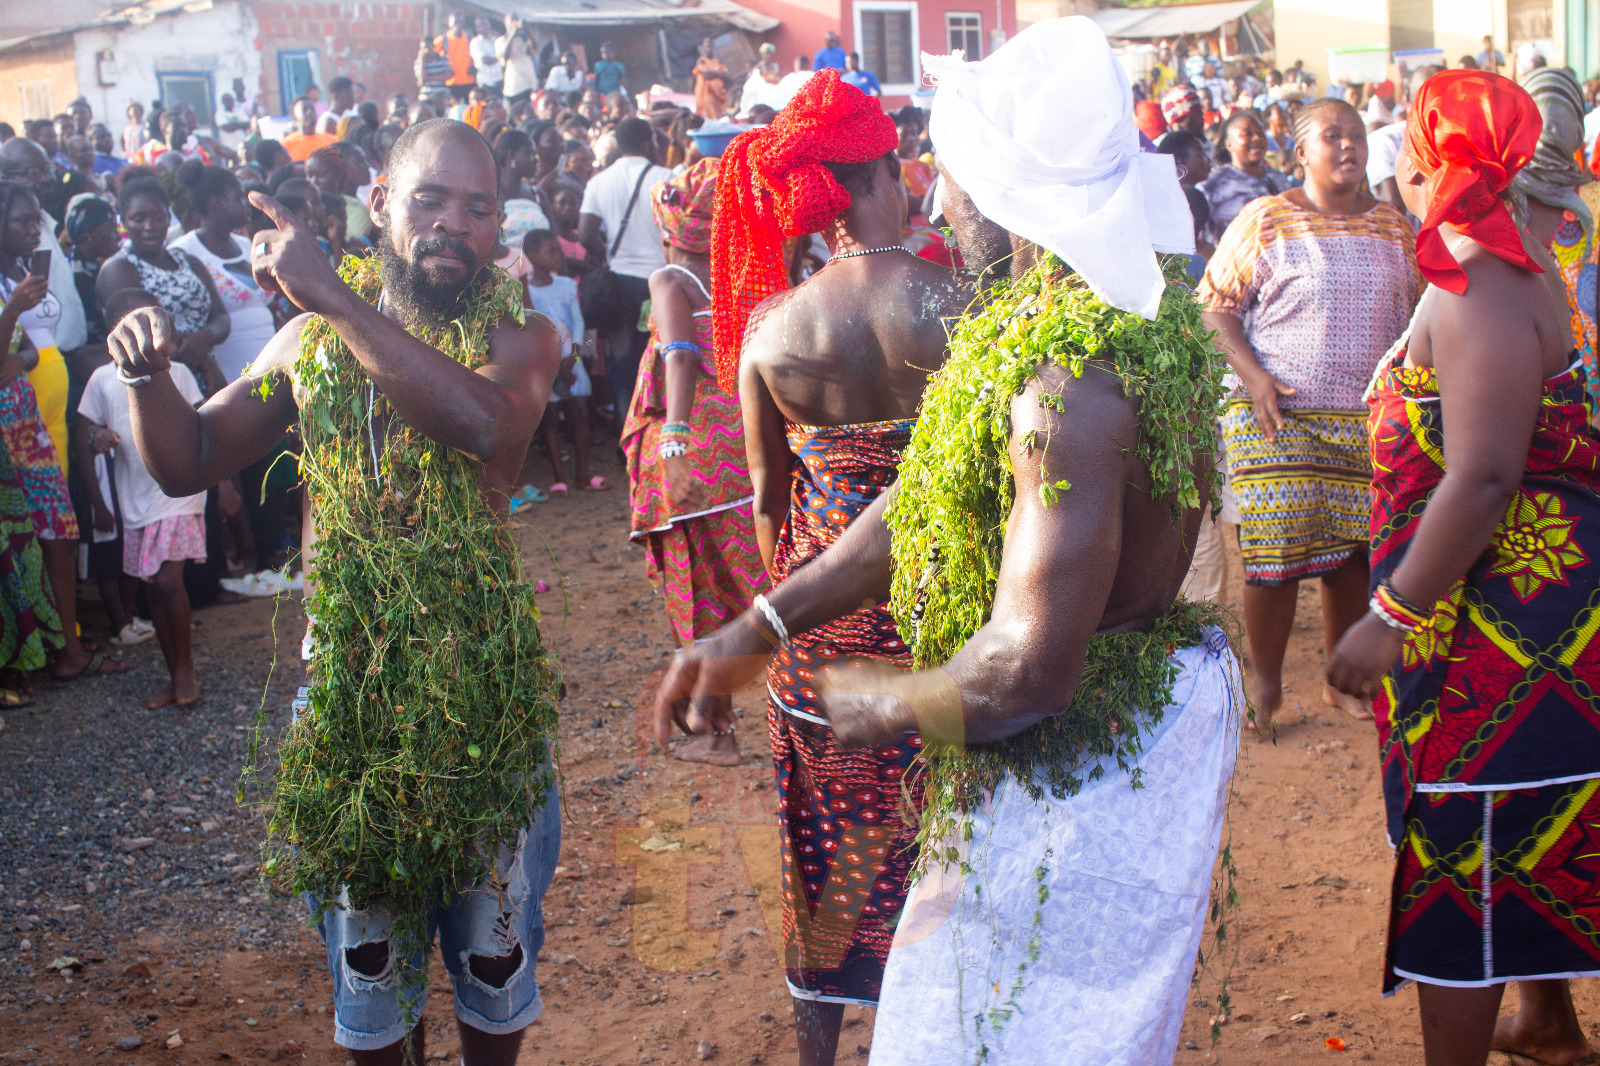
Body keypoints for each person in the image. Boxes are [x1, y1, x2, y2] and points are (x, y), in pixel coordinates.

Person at [656, 20, 1238, 1064]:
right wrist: (760, 623)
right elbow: (920, 496)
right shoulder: (1074, 315)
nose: (939, 197)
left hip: (1078, 767)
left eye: (958, 175)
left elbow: (1024, 670)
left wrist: (865, 703)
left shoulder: (1064, 384)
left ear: (1010, 189)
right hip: (1101, 740)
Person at [105, 117, 562, 1064]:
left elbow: (482, 425)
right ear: (380, 205)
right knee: (374, 985)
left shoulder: (520, 334)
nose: (454, 226)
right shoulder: (310, 346)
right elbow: (188, 459)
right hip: (354, 696)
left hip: (481, 686)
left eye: (479, 209)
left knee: (489, 976)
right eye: (430, 200)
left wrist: (334, 301)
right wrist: (147, 377)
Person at [1325, 69, 1600, 1066]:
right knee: (1514, 835)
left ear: (1428, 157)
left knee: (1467, 855)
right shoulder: (1487, 267)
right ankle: (1548, 1018)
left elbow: (1481, 476)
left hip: (1502, 646)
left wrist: (1387, 613)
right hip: (1511, 623)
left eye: (1408, 137)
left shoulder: (1481, 285)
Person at [704, 71, 968, 1064]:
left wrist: (795, 607)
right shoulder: (963, 304)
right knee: (947, 836)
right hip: (943, 612)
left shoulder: (772, 327)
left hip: (813, 627)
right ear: (889, 176)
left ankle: (820, 1044)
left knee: (822, 847)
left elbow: (769, 500)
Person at [1198, 97, 1422, 724]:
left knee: (1352, 554)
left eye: (1356, 136)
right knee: (1275, 556)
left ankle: (1341, 683)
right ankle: (1265, 689)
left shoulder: (1395, 227)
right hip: (1276, 412)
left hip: (1368, 420)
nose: (1348, 146)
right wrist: (1256, 378)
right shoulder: (1265, 220)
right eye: (1332, 136)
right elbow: (1214, 306)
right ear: (1300, 152)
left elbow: (1417, 314)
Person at [619, 158, 763, 764]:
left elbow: (679, 355)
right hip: (743, 454)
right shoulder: (741, 276)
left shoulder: (670, 280)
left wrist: (674, 440)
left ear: (669, 226)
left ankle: (713, 729)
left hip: (693, 457)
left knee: (699, 591)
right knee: (758, 588)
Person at [0, 181, 118, 682]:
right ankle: (56, 646)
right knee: (35, 535)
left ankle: (62, 634)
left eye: (36, 220)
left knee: (59, 530)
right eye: (22, 221)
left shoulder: (26, 269)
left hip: (46, 412)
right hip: (15, 421)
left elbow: (29, 349)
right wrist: (18, 324)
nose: (34, 229)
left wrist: (27, 355)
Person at [81, 289, 206, 706]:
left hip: (178, 493)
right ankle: (174, 676)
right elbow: (86, 434)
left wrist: (224, 486)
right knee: (153, 588)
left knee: (169, 582)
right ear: (112, 336)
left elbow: (207, 429)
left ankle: (186, 676)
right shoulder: (102, 380)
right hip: (135, 500)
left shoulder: (179, 373)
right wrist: (97, 439)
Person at [1511, 66, 1600, 408]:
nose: (1552, 124)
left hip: (1582, 400)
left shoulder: (1593, 201)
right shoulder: (1500, 197)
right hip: (1520, 392)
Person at [578, 116, 670, 430]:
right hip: (663, 283)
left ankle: (627, 438)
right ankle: (661, 438)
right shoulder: (667, 178)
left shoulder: (599, 181)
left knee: (624, 365)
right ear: (647, 143)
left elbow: (585, 233)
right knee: (666, 360)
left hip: (619, 284)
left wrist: (609, 254)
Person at [169, 163, 275, 385]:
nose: (245, 203)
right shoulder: (184, 252)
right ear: (216, 203)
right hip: (229, 374)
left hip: (272, 364)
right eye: (238, 197)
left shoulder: (247, 244)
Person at [523, 228, 595, 497]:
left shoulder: (566, 285)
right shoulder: (525, 291)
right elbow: (529, 330)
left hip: (570, 358)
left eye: (557, 250)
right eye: (550, 251)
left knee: (580, 414)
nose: (557, 256)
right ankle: (559, 478)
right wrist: (552, 363)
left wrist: (573, 356)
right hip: (544, 364)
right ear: (532, 256)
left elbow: (577, 322)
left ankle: (582, 474)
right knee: (550, 419)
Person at [1198, 111, 1294, 245]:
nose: (1257, 138)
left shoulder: (1278, 178)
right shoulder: (1213, 186)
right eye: (1247, 134)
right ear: (1229, 144)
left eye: (1260, 133)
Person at [491, 130, 551, 254]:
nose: (536, 160)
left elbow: (553, 241)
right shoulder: (490, 194)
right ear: (512, 155)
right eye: (531, 154)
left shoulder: (537, 195)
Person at [283, 97, 337, 163]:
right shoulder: (286, 145)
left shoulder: (333, 141)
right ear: (295, 117)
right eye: (304, 109)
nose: (310, 112)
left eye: (312, 108)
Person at [498, 13, 538, 102]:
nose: (515, 23)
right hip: (515, 86)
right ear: (506, 24)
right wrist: (513, 32)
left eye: (517, 20)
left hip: (529, 83)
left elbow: (536, 49)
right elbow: (505, 56)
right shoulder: (501, 41)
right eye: (512, 21)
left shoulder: (525, 38)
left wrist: (528, 31)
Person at [437, 12, 475, 100]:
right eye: (455, 22)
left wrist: (475, 67)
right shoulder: (443, 40)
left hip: (469, 81)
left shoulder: (470, 38)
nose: (457, 25)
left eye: (460, 22)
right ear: (450, 24)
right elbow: (431, 55)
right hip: (451, 83)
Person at [693, 40, 730, 119]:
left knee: (720, 115)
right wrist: (719, 74)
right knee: (707, 115)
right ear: (703, 47)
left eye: (710, 46)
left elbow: (726, 75)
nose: (709, 48)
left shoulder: (717, 60)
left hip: (718, 93)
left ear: (714, 47)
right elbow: (706, 75)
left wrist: (713, 73)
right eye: (706, 46)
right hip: (706, 92)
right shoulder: (701, 60)